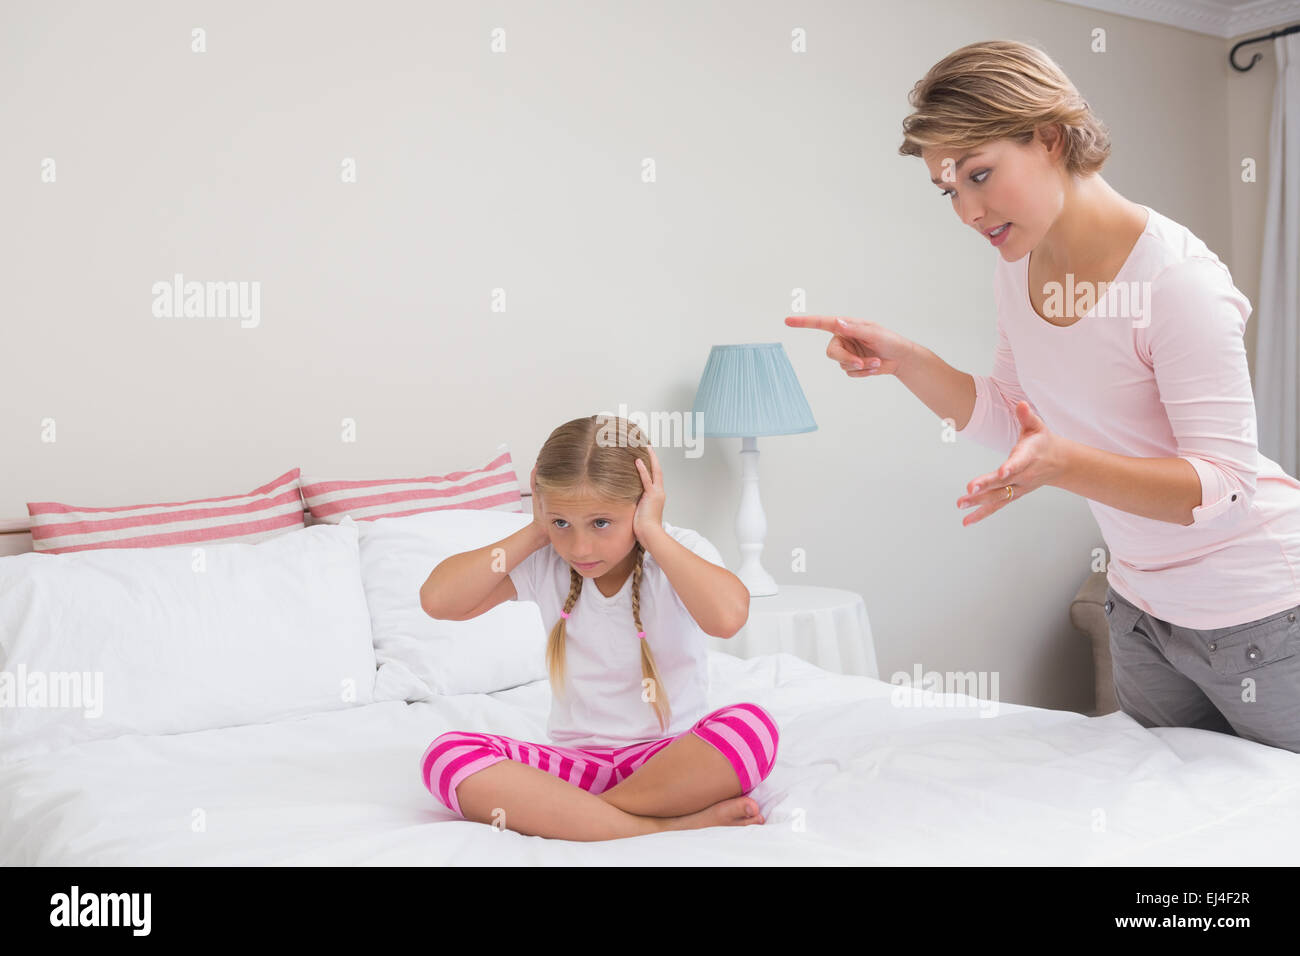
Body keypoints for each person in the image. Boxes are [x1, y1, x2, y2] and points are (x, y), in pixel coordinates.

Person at [787, 39, 1300, 752]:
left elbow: (1225, 488)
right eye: (949, 190)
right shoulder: (1021, 264)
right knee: (1174, 822)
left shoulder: (1175, 282)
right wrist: (908, 362)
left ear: (1050, 138)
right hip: (1142, 614)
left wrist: (1065, 466)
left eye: (979, 174)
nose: (966, 210)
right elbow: (1012, 417)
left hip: (1263, 617)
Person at [418, 415, 779, 839]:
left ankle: (572, 817)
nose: (580, 547)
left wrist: (653, 532)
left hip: (670, 764)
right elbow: (439, 601)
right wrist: (537, 531)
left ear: (643, 501)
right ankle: (664, 826)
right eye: (562, 524)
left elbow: (727, 619)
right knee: (446, 756)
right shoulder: (545, 560)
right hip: (575, 766)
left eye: (601, 523)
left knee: (751, 729)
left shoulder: (678, 553)